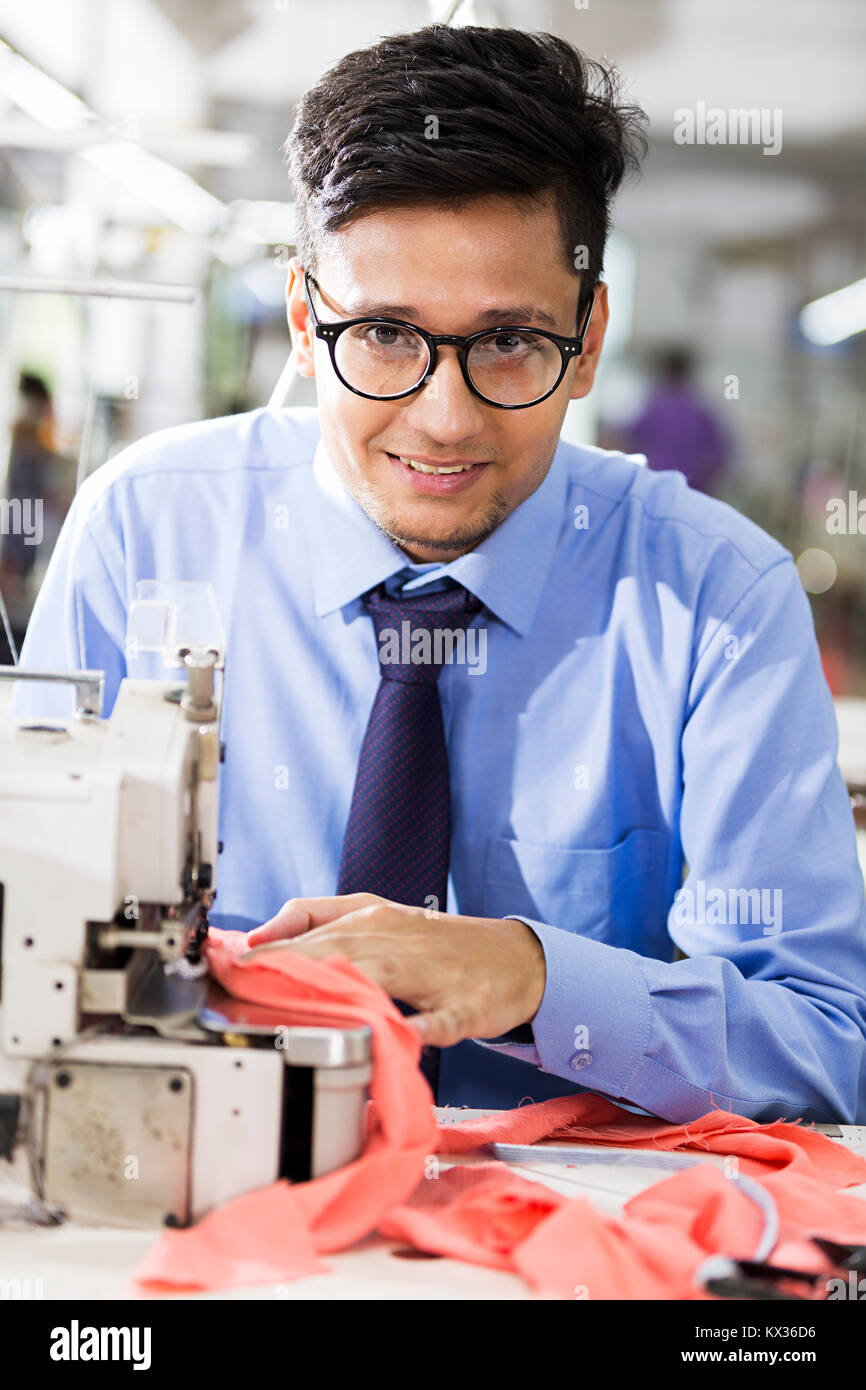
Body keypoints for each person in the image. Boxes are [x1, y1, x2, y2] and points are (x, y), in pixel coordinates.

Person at [14, 26, 866, 1122]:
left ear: (590, 334)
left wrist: (535, 976)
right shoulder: (145, 531)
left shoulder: (714, 601)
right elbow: (29, 915)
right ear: (301, 318)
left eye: (508, 341)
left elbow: (827, 1042)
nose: (445, 419)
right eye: (382, 334)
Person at [625, 348, 731, 495]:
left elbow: (632, 439)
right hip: (692, 488)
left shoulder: (655, 406)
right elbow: (720, 454)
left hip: (656, 485)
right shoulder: (701, 408)